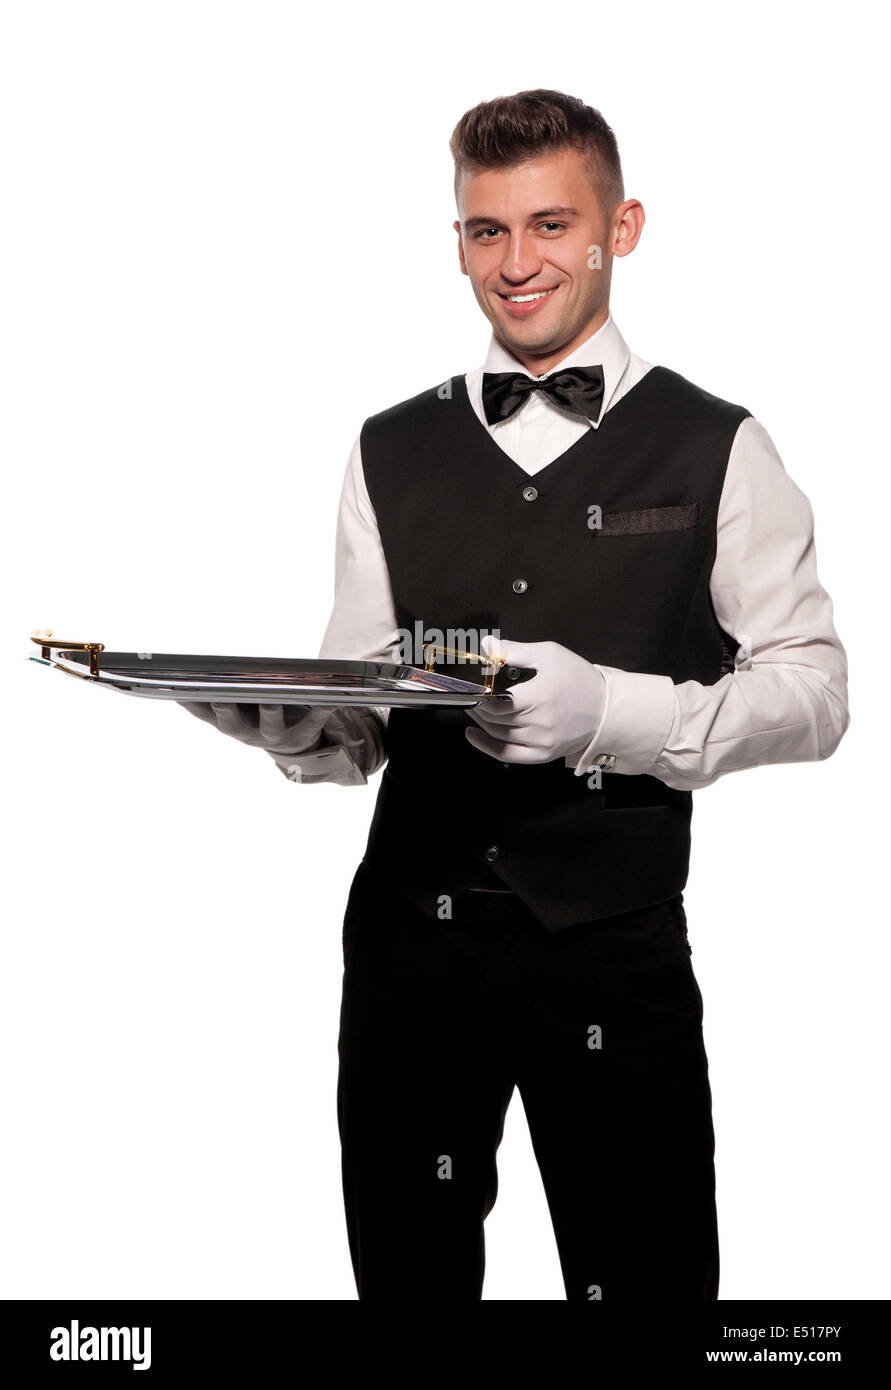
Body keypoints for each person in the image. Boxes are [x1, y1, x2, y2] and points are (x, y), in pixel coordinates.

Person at [180, 89, 849, 1302]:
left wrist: (612, 714)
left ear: (620, 228)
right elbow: (368, 699)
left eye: (550, 224)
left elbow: (815, 694)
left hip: (613, 949)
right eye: (486, 231)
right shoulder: (389, 445)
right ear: (457, 241)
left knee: (648, 1289)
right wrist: (304, 733)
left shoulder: (721, 446)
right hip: (407, 951)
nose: (517, 262)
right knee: (408, 1287)